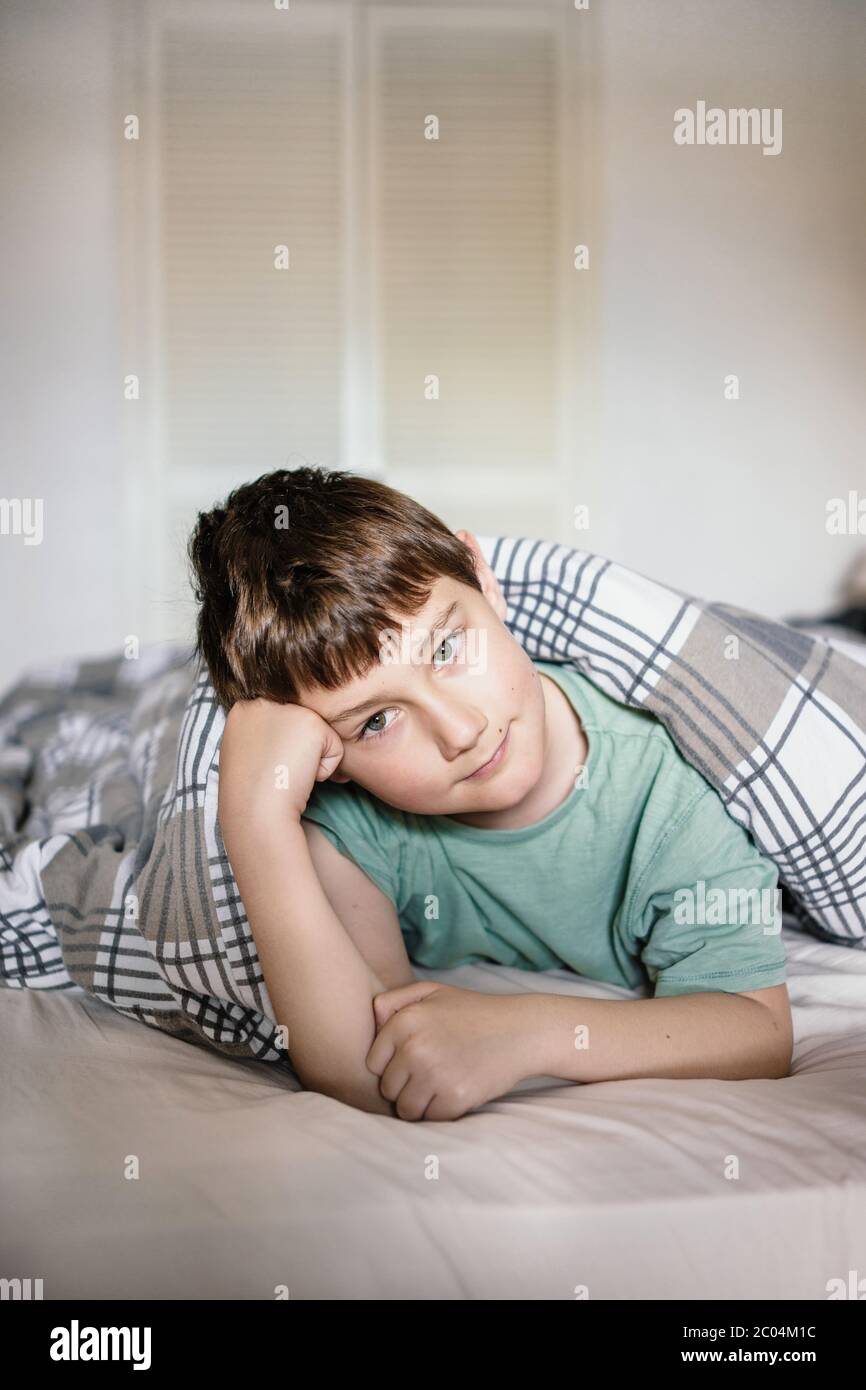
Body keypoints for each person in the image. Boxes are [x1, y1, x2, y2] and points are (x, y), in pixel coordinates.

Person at [188, 466, 793, 1121]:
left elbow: (758, 1029)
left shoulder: (665, 795)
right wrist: (255, 822)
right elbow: (371, 1073)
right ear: (326, 755)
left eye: (448, 647)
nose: (461, 730)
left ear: (483, 576)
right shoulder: (350, 823)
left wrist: (531, 1033)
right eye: (377, 721)